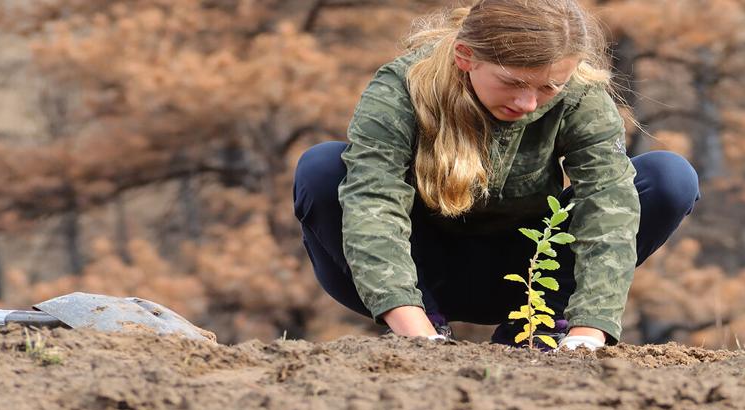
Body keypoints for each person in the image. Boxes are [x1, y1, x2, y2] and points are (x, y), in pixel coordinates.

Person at [293, 0, 700, 350]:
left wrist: (588, 334)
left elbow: (607, 205)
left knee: (669, 177)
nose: (528, 103)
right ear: (465, 56)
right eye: (513, 82)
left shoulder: (580, 95)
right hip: (414, 268)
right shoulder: (402, 86)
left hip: (530, 273)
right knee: (322, 167)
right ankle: (424, 320)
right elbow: (373, 200)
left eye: (548, 88)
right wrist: (417, 334)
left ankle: (536, 329)